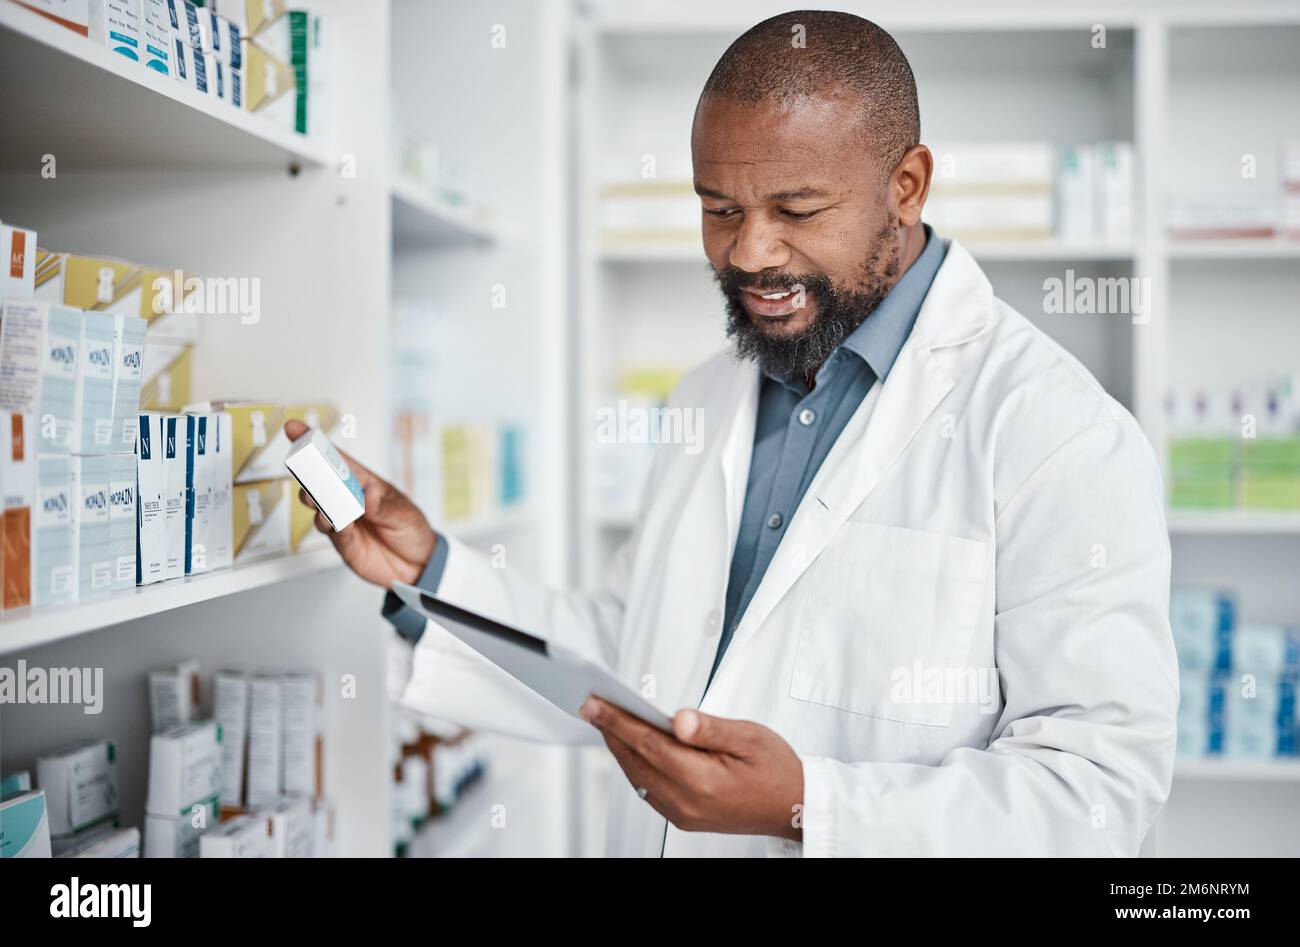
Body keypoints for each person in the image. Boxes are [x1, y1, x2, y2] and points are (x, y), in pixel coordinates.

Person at [287, 10, 1177, 857]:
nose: (749, 253)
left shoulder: (1055, 431)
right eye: (719, 209)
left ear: (905, 187)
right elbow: (636, 654)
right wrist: (429, 573)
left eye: (795, 211)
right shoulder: (709, 394)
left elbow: (1098, 794)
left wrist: (811, 808)